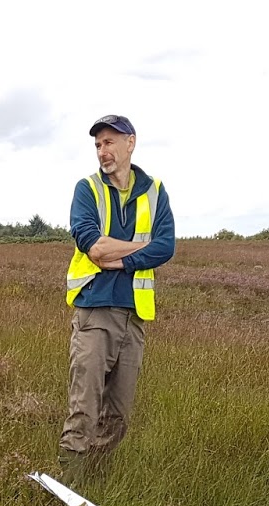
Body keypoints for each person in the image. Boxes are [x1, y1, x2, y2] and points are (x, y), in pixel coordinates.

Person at [59, 114, 176, 474]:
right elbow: (94, 248)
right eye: (97, 144)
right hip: (94, 310)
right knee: (85, 406)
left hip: (134, 315)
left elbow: (166, 247)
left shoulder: (155, 191)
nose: (102, 151)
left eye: (109, 142)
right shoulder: (87, 189)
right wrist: (138, 249)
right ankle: (70, 484)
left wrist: (119, 257)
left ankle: (96, 479)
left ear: (131, 143)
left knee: (119, 413)